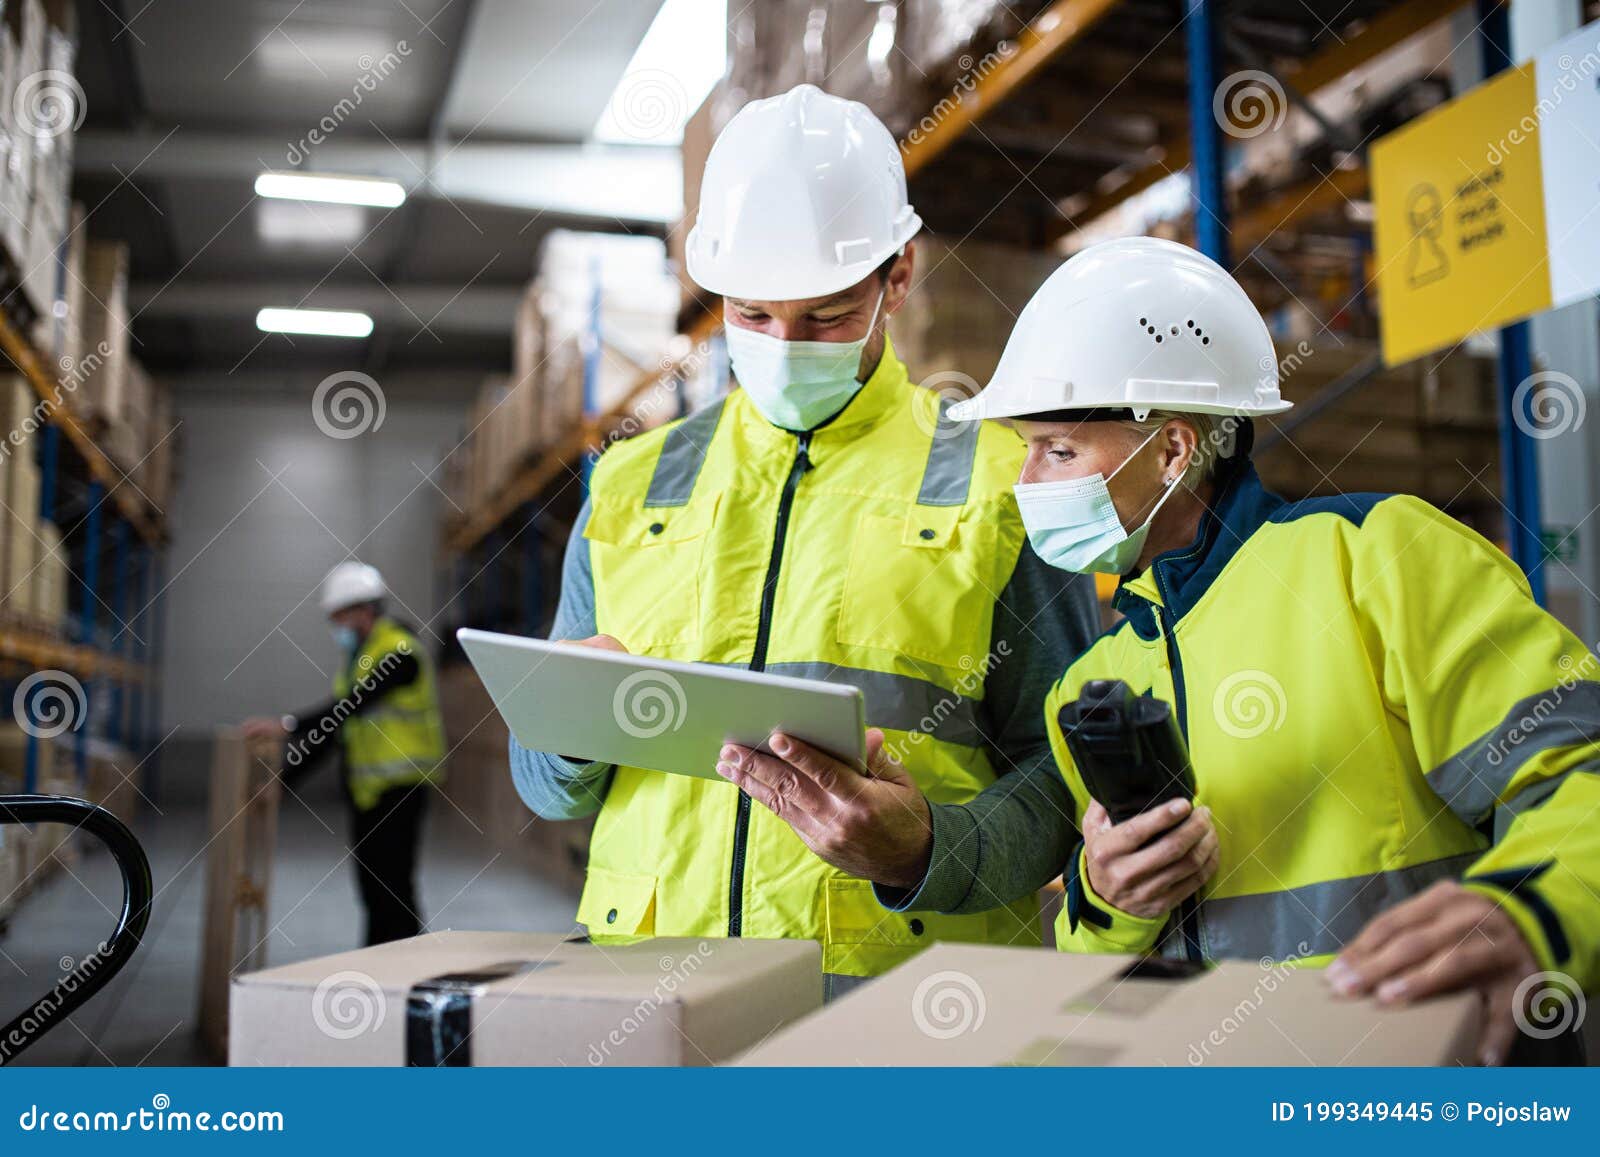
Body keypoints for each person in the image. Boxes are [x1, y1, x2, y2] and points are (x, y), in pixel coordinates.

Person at [934, 235, 1594, 1064]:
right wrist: (1108, 895)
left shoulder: (1373, 558)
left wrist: (1533, 908)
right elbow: (1088, 953)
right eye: (1023, 448)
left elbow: (1579, 770)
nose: (1027, 482)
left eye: (1058, 449)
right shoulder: (1092, 680)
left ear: (1174, 448)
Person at [509, 84, 1099, 993]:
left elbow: (1064, 773)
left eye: (823, 316)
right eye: (752, 315)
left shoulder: (999, 482)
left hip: (904, 1005)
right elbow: (545, 784)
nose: (786, 343)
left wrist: (928, 850)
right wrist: (568, 735)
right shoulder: (630, 485)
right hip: (653, 993)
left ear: (898, 276)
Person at [243, 561, 447, 946]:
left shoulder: (399, 653)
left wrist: (287, 725)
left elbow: (351, 705)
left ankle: (407, 974)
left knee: (394, 892)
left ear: (363, 611)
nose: (336, 626)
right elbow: (339, 731)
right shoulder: (362, 658)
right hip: (367, 793)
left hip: (400, 792)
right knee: (372, 892)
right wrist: (284, 782)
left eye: (339, 616)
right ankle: (377, 969)